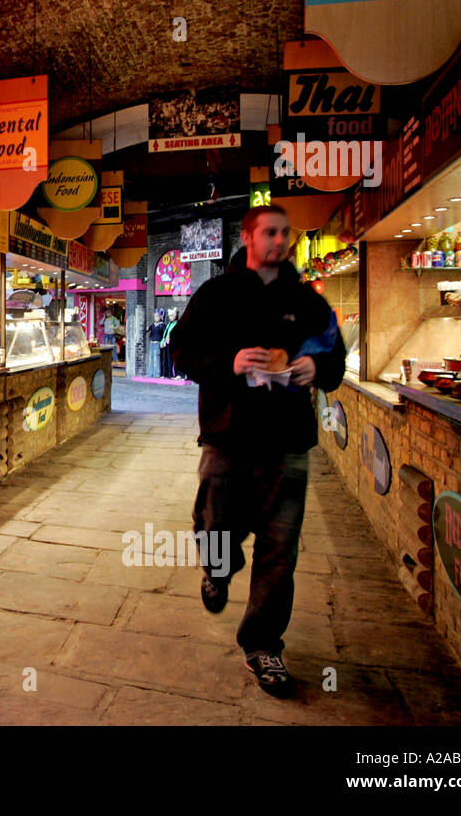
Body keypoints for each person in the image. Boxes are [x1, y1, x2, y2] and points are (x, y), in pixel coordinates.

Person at [168, 204, 346, 697]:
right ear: (249, 237)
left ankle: (263, 644)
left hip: (287, 443)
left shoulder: (308, 301)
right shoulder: (215, 295)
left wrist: (318, 369)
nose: (279, 241)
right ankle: (218, 569)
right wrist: (228, 362)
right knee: (212, 525)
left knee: (279, 549)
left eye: (285, 233)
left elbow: (336, 359)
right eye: (270, 232)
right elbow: (180, 351)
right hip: (227, 438)